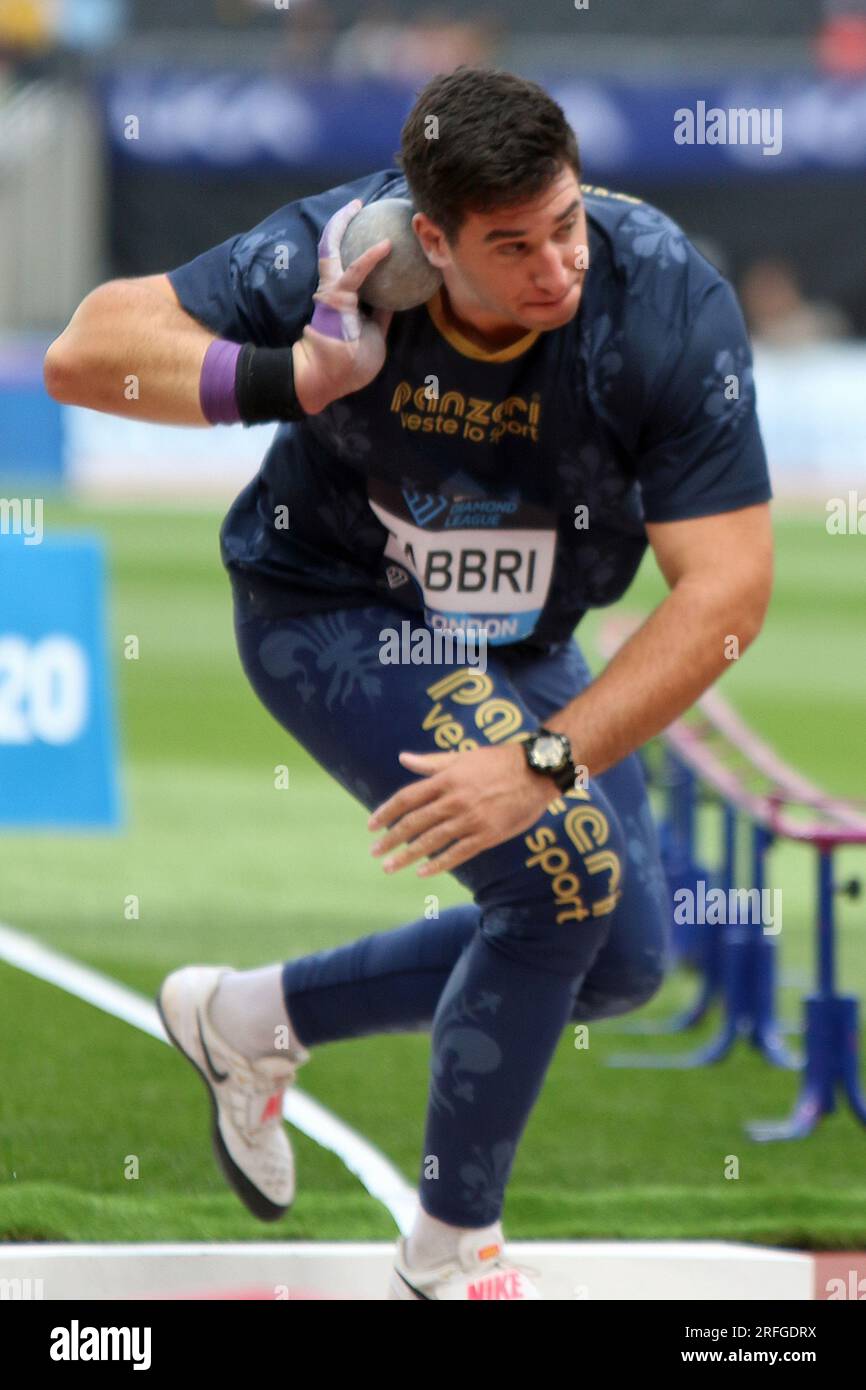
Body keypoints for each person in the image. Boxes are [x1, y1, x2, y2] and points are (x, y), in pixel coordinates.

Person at [43, 65, 774, 1301]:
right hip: (334, 607)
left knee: (621, 963)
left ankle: (246, 1019)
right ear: (428, 242)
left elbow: (725, 594)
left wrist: (541, 761)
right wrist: (289, 380)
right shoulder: (332, 251)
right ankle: (449, 1253)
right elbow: (84, 354)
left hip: (528, 643)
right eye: (512, 245)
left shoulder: (661, 301)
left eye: (566, 224)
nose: (557, 268)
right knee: (564, 881)